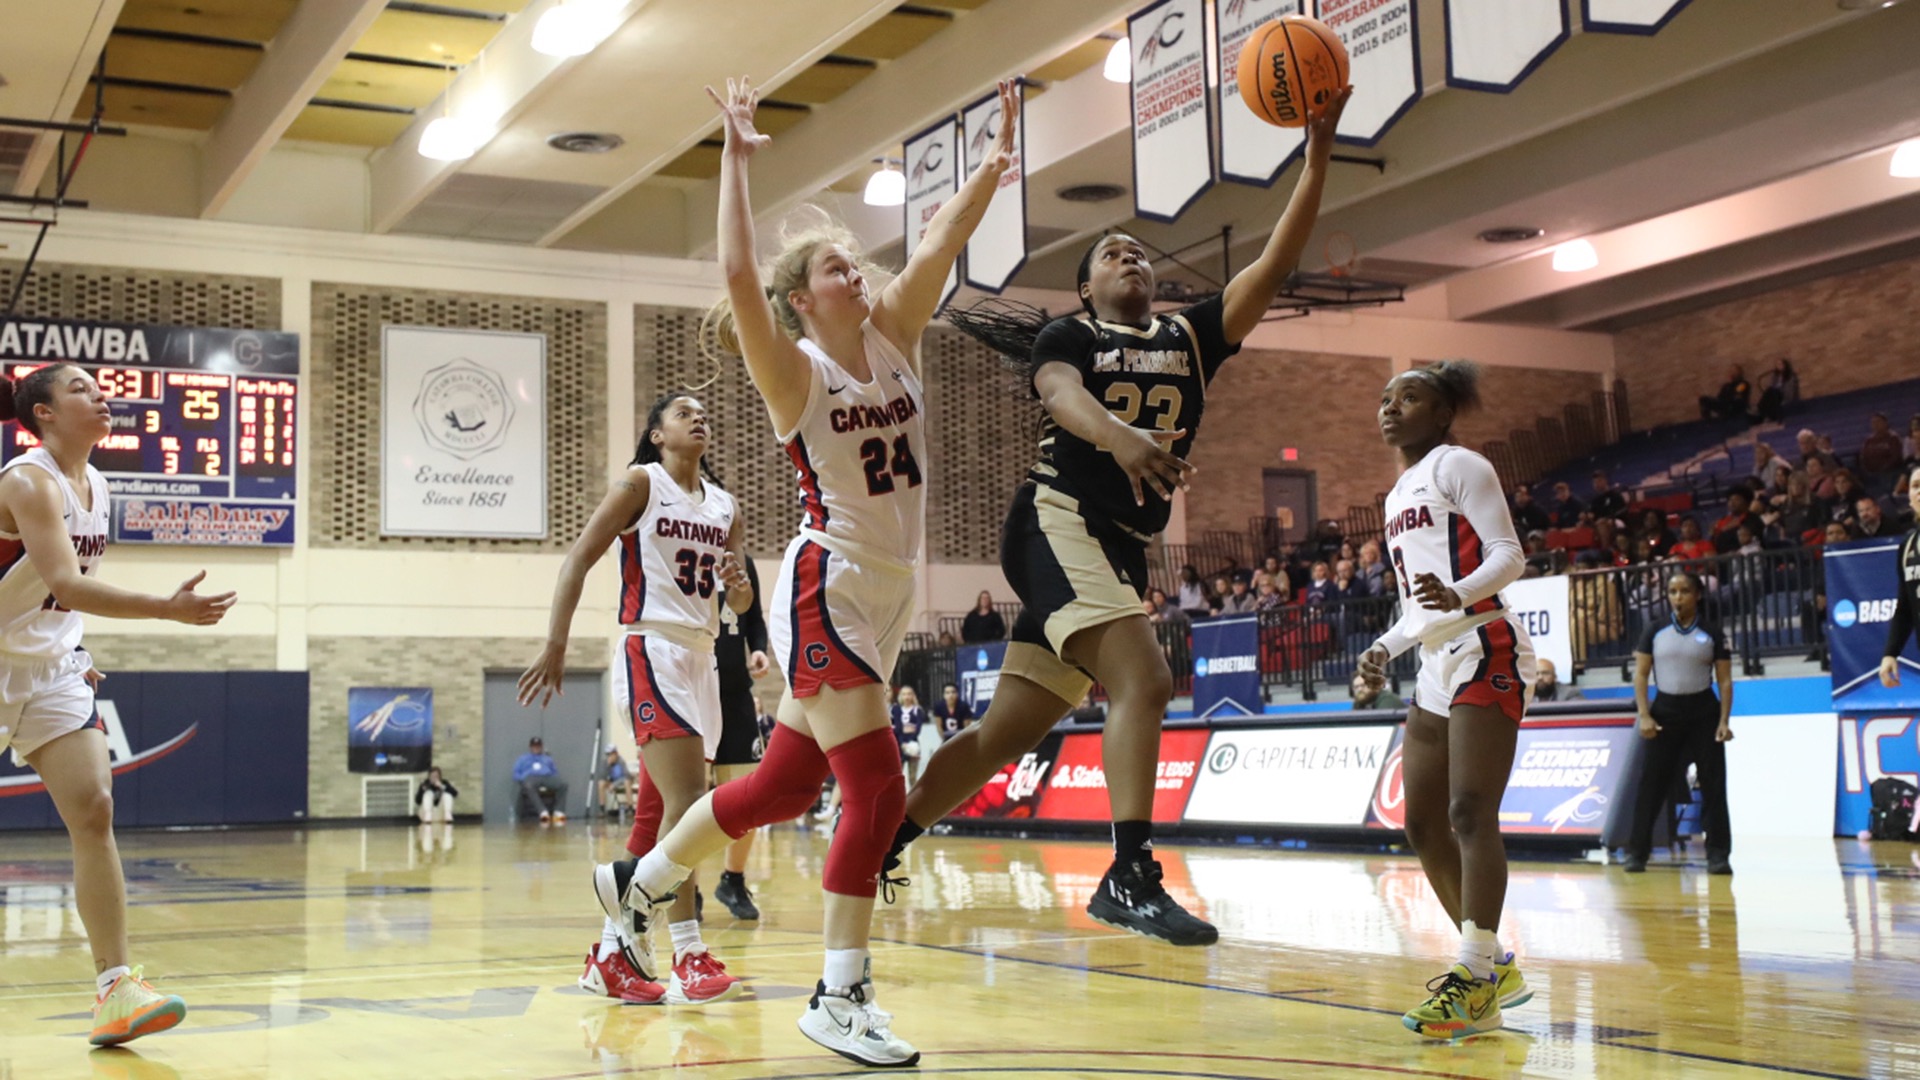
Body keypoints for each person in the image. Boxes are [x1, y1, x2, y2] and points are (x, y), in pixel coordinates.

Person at [592, 76, 1022, 1069]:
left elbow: (937, 247)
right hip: (825, 586)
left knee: (784, 787)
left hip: (884, 587)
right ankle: (841, 993)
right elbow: (740, 276)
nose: (856, 272)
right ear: (802, 299)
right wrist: (737, 158)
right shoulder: (796, 369)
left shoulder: (896, 335)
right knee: (874, 791)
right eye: (836, 266)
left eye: (854, 262)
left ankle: (643, 885)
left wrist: (993, 170)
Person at [882, 85, 1352, 948]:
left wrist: (1318, 155)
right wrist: (1127, 439)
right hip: (1055, 522)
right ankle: (1129, 872)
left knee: (1003, 734)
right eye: (1111, 255)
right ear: (1087, 286)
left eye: (1139, 251)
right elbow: (1059, 397)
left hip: (1119, 549)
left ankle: (888, 835)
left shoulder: (1192, 337)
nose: (1131, 258)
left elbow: (1275, 264)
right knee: (1146, 680)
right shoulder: (1072, 338)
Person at [0, 364, 235, 1047]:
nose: (101, 395)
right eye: (79, 389)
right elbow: (66, 583)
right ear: (42, 414)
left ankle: (115, 988)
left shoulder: (98, 484)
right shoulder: (25, 480)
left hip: (48, 668)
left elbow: (51, 600)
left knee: (95, 808)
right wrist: (167, 609)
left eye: (99, 388)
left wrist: (69, 650)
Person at [521, 392, 754, 1007]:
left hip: (703, 658)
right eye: (683, 412)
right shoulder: (640, 483)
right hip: (652, 648)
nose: (699, 416)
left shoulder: (726, 504)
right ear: (656, 435)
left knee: (656, 817)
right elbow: (578, 559)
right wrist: (555, 644)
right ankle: (688, 952)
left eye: (705, 411)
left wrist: (739, 588)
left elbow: (743, 602)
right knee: (690, 802)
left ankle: (608, 955)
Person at [1356, 359, 1536, 1039]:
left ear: (1441, 412)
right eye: (1385, 397)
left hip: (1486, 642)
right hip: (1435, 659)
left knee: (1468, 810)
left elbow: (1508, 557)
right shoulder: (1397, 490)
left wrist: (1460, 594)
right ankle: (1494, 969)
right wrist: (1384, 648)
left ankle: (1473, 977)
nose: (1391, 407)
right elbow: (1414, 607)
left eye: (1410, 397)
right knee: (1422, 823)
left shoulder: (1461, 466)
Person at [1625, 571, 1735, 875]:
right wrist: (1645, 715)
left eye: (1684, 591)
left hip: (1703, 712)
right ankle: (1637, 853)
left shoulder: (1712, 632)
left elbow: (1724, 681)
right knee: (1651, 785)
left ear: (1697, 595)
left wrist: (1724, 721)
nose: (1677, 597)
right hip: (1665, 712)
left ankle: (1718, 855)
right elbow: (1641, 675)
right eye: (1672, 591)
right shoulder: (1654, 630)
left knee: (1713, 785)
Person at [713, 552, 772, 922]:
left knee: (748, 799)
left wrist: (760, 648)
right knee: (687, 801)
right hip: (692, 692)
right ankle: (687, 889)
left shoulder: (742, 562)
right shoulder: (682, 552)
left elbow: (755, 617)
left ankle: (732, 879)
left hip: (735, 694)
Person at [1878, 465, 1920, 691]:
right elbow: (1905, 608)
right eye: (1915, 486)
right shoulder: (1908, 546)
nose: (1919, 491)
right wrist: (1890, 653)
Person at [512, 737, 567, 824]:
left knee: (563, 785)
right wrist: (523, 779)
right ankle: (542, 811)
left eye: (538, 746)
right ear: (530, 747)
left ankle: (558, 811)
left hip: (546, 777)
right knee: (528, 786)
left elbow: (554, 771)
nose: (536, 748)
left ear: (541, 747)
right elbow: (516, 773)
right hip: (531, 778)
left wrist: (553, 778)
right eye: (534, 746)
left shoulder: (547, 759)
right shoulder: (523, 759)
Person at [892, 685, 930, 784]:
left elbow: (917, 729)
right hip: (900, 745)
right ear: (900, 696)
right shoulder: (897, 710)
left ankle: (913, 798)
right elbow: (898, 728)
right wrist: (902, 743)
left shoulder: (917, 710)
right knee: (898, 775)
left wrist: (909, 741)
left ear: (913, 696)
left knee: (912, 777)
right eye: (904, 694)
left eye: (909, 694)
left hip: (913, 744)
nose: (907, 697)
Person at [1862, 412, 1905, 496]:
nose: (1875, 425)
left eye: (1878, 422)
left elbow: (1896, 456)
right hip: (1873, 475)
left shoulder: (1893, 438)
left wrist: (1884, 468)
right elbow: (1864, 457)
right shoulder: (1869, 441)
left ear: (1885, 423)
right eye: (1873, 423)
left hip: (1891, 473)